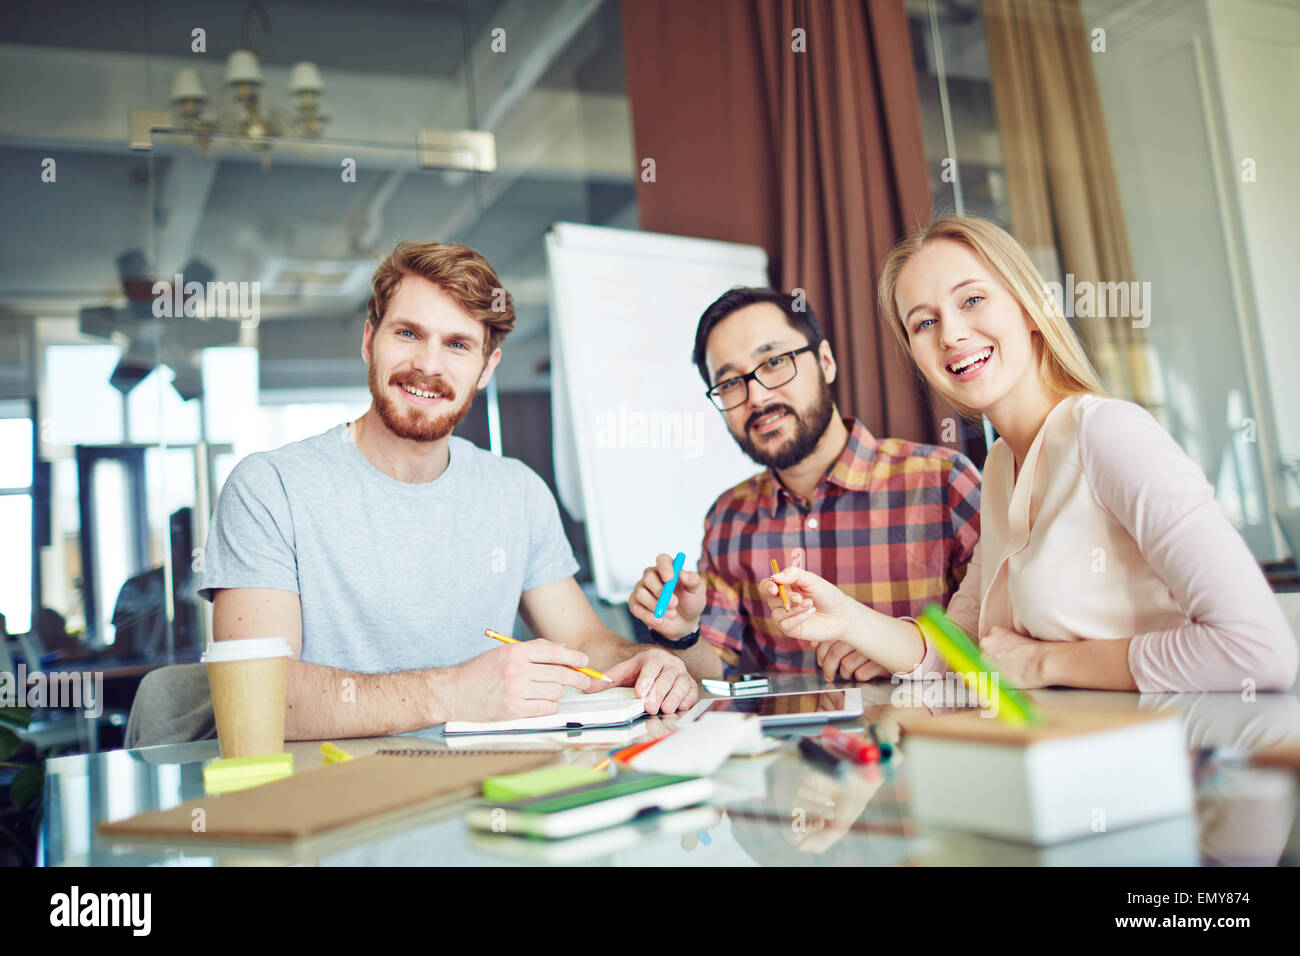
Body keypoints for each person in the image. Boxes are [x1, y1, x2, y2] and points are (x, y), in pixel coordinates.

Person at [761, 216, 1297, 692]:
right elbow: (964, 649)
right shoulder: (1000, 468)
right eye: (923, 322)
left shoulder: (1108, 435)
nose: (951, 333)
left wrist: (1046, 664)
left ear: (1032, 309)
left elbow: (1259, 651)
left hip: (1182, 771)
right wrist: (846, 620)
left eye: (972, 299)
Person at [199, 240, 697, 738]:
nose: (430, 365)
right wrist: (456, 691)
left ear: (487, 368)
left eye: (458, 345)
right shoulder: (270, 488)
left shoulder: (516, 491)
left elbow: (586, 640)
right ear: (369, 341)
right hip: (333, 797)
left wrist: (644, 659)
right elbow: (257, 699)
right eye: (409, 333)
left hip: (487, 793)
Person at [626, 287, 981, 681]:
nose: (756, 397)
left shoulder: (942, 481)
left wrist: (903, 646)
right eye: (729, 384)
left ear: (825, 361)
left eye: (774, 361)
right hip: (788, 743)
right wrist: (683, 634)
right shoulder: (728, 517)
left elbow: (1003, 635)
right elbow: (714, 674)